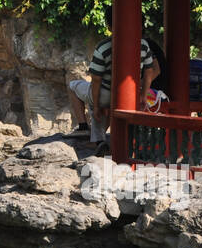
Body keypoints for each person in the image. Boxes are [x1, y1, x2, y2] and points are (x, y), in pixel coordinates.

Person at [68, 23, 159, 156]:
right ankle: (101, 140)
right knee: (109, 99)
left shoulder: (103, 46)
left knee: (74, 86)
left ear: (109, 26)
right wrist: (143, 95)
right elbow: (150, 71)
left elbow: (96, 79)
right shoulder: (144, 44)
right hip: (131, 94)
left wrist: (96, 105)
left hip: (106, 94)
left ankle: (88, 131)